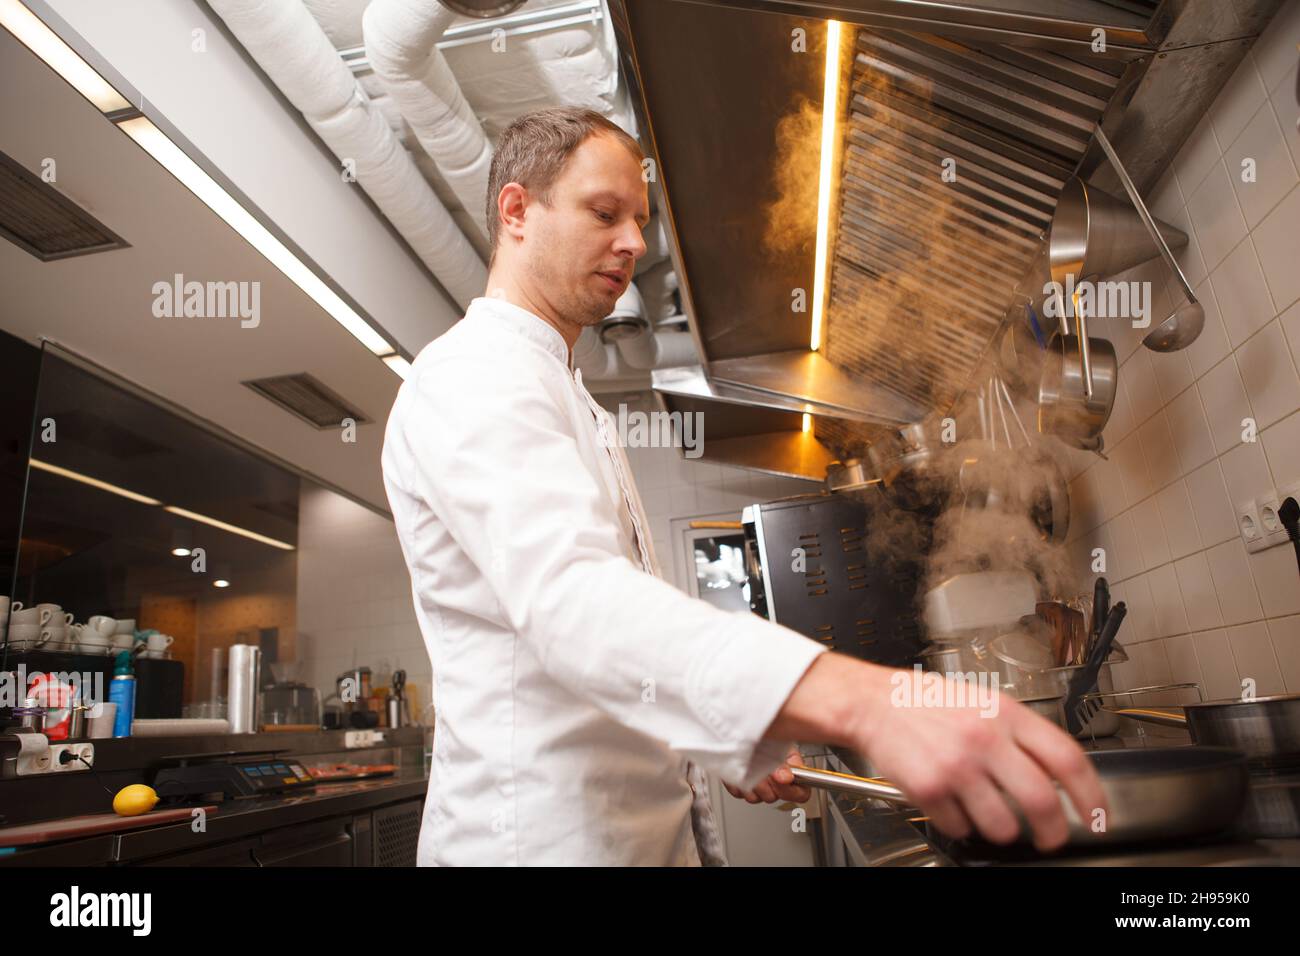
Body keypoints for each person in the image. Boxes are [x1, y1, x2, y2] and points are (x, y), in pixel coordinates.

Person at [381, 106, 1105, 866]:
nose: (633, 242)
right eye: (605, 213)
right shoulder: (473, 376)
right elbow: (574, 606)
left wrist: (733, 740)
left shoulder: (565, 392)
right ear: (517, 210)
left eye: (639, 219)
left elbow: (607, 656)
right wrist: (865, 701)